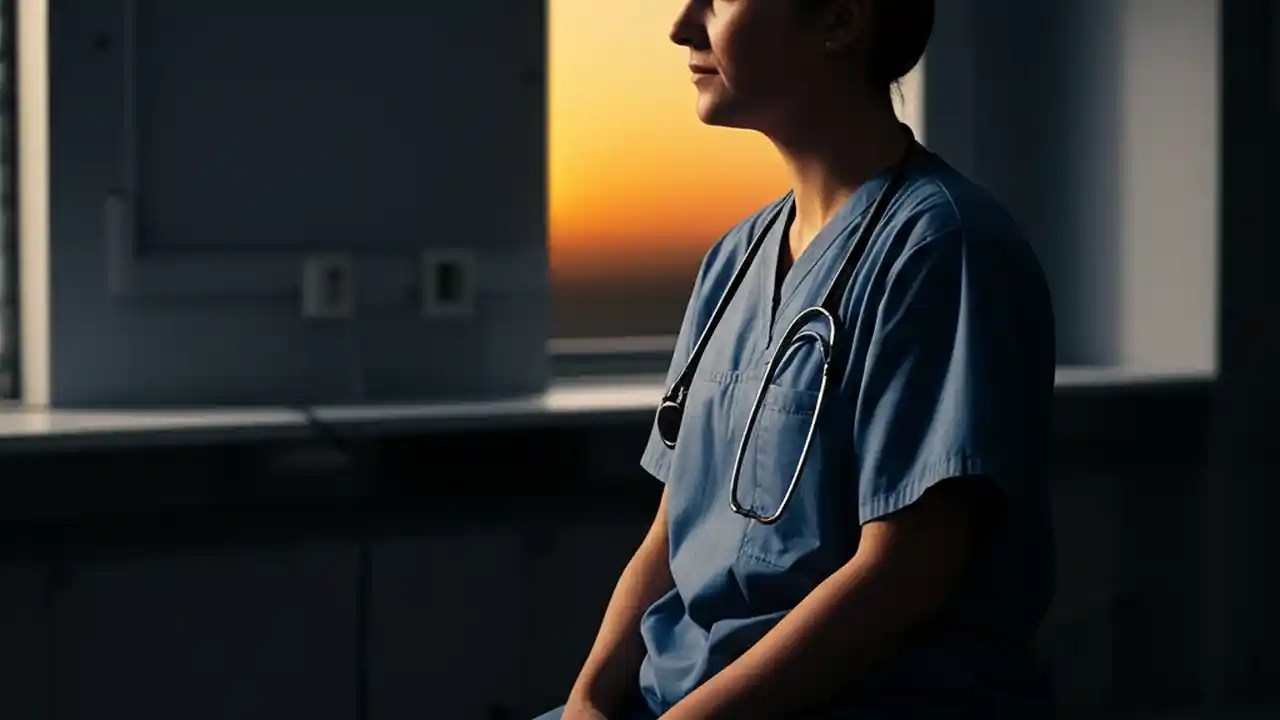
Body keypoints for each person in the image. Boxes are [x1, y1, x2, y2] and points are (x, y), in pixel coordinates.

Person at [536, 0, 1056, 717]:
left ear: (840, 22)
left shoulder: (944, 249)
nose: (682, 25)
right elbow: (673, 528)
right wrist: (588, 698)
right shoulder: (734, 261)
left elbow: (903, 573)